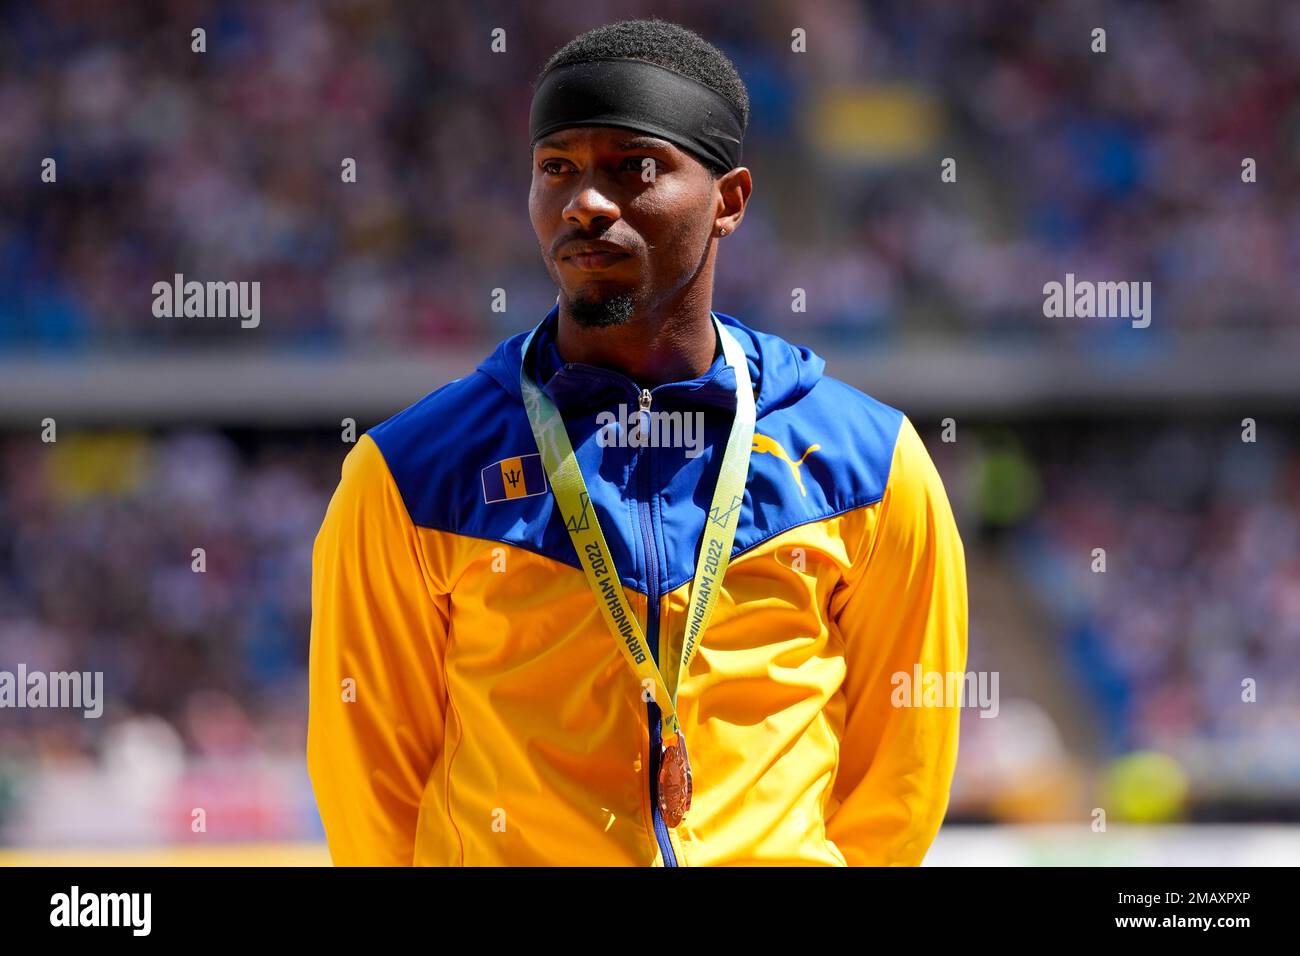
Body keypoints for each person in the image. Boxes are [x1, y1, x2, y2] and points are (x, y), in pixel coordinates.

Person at [307, 17, 967, 866]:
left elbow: (899, 784)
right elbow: (370, 794)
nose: (586, 201)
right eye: (558, 169)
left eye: (634, 167)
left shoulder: (869, 465)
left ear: (729, 201)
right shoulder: (408, 475)